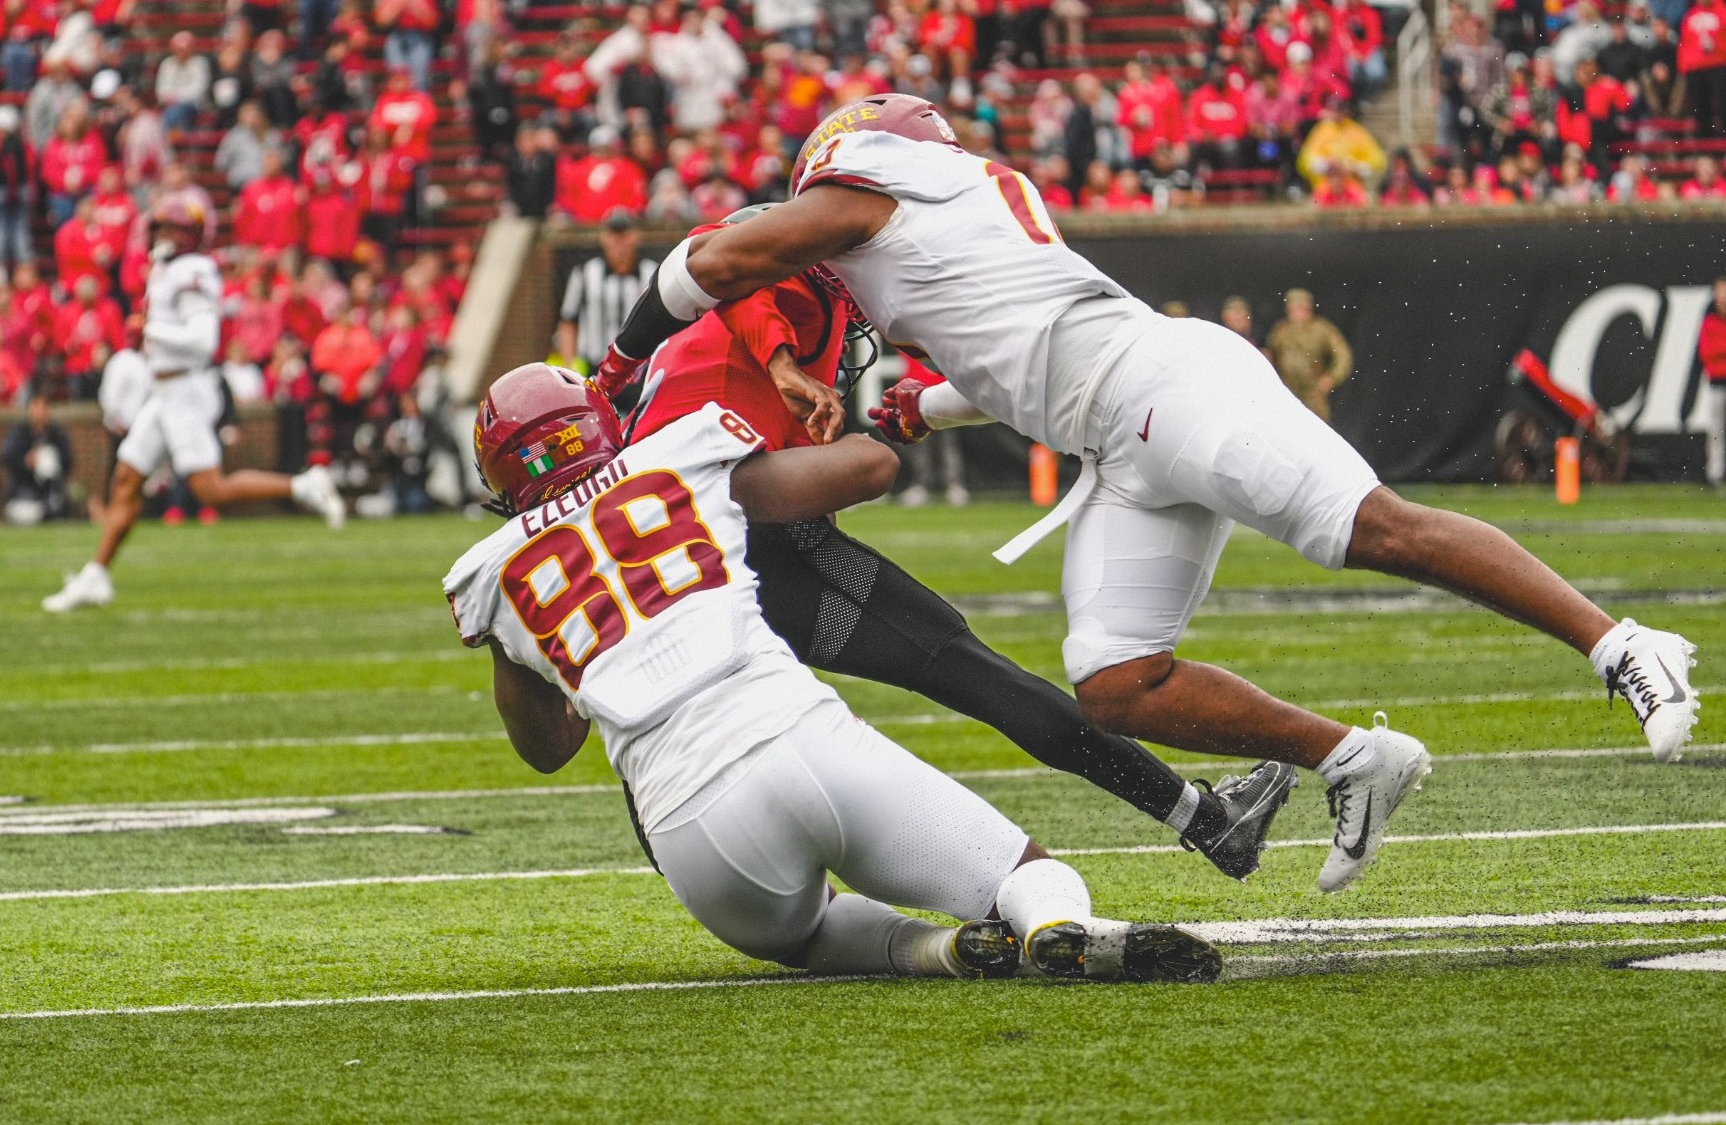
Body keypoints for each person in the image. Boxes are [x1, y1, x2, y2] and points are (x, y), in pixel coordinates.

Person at [594, 93, 1700, 894]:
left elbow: (726, 255)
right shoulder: (952, 224)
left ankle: (1621, 645)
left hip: (1163, 389)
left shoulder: (896, 189)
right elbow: (1007, 360)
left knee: (1372, 529)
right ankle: (1351, 758)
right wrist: (914, 409)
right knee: (1114, 684)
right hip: (1116, 443)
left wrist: (626, 346)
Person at [448, 362, 1223, 984]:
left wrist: (524, 645)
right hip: (800, 735)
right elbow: (864, 471)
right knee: (1023, 872)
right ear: (597, 423)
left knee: (808, 932)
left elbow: (546, 748)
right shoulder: (679, 451)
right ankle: (1061, 926)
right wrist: (837, 428)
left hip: (689, 824)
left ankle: (939, 953)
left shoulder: (487, 571)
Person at [620, 206, 1296, 880]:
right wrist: (782, 366)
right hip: (743, 543)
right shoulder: (768, 291)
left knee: (699, 728)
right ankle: (1200, 823)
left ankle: (705, 850)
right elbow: (726, 266)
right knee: (966, 663)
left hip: (665, 566)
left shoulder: (692, 336)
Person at [41, 201, 348, 612]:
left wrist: (152, 331)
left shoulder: (192, 271)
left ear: (190, 235)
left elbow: (203, 340)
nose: (162, 236)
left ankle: (305, 485)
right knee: (127, 480)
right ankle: (96, 575)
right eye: (160, 227)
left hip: (186, 391)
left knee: (210, 489)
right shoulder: (168, 270)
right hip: (164, 392)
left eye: (172, 229)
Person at [554, 210, 657, 378]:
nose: (619, 242)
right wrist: (569, 365)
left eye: (625, 235)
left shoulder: (652, 274)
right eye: (614, 235)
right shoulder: (584, 273)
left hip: (640, 372)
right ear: (603, 237)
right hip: (594, 365)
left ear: (636, 236)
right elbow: (568, 322)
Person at [1265, 288, 1353, 420]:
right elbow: (1270, 353)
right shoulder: (1281, 330)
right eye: (1293, 307)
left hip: (1313, 390)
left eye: (1300, 307)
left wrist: (1331, 377)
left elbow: (1343, 355)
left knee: (1316, 425)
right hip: (1287, 388)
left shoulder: (1322, 329)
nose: (1296, 311)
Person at [2, 393, 75, 523]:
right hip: (25, 487)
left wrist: (51, 457)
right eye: (37, 406)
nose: (40, 411)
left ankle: (51, 509)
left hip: (51, 487)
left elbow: (68, 460)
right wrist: (25, 461)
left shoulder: (56, 433)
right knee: (24, 510)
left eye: (44, 407)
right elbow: (7, 458)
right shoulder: (19, 432)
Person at [1702, 278, 1726, 486]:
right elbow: (1707, 353)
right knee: (1716, 431)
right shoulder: (1710, 322)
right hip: (1718, 384)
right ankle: (1715, 473)